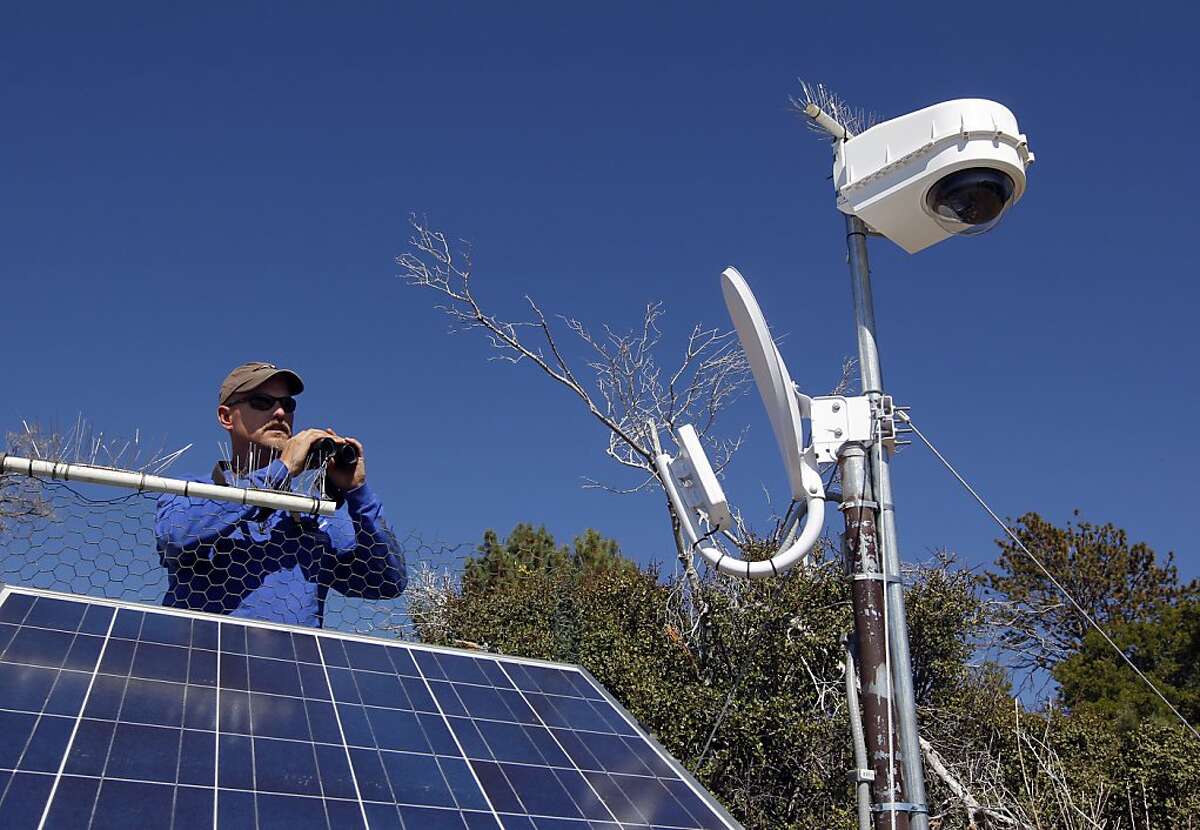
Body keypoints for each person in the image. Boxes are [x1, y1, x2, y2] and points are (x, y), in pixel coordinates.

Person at [155, 362, 406, 627]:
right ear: (226, 417)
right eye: (262, 402)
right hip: (204, 659)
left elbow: (387, 582)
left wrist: (357, 493)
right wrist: (281, 469)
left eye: (288, 404)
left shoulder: (311, 515)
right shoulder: (189, 490)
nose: (279, 413)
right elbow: (177, 536)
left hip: (292, 663)